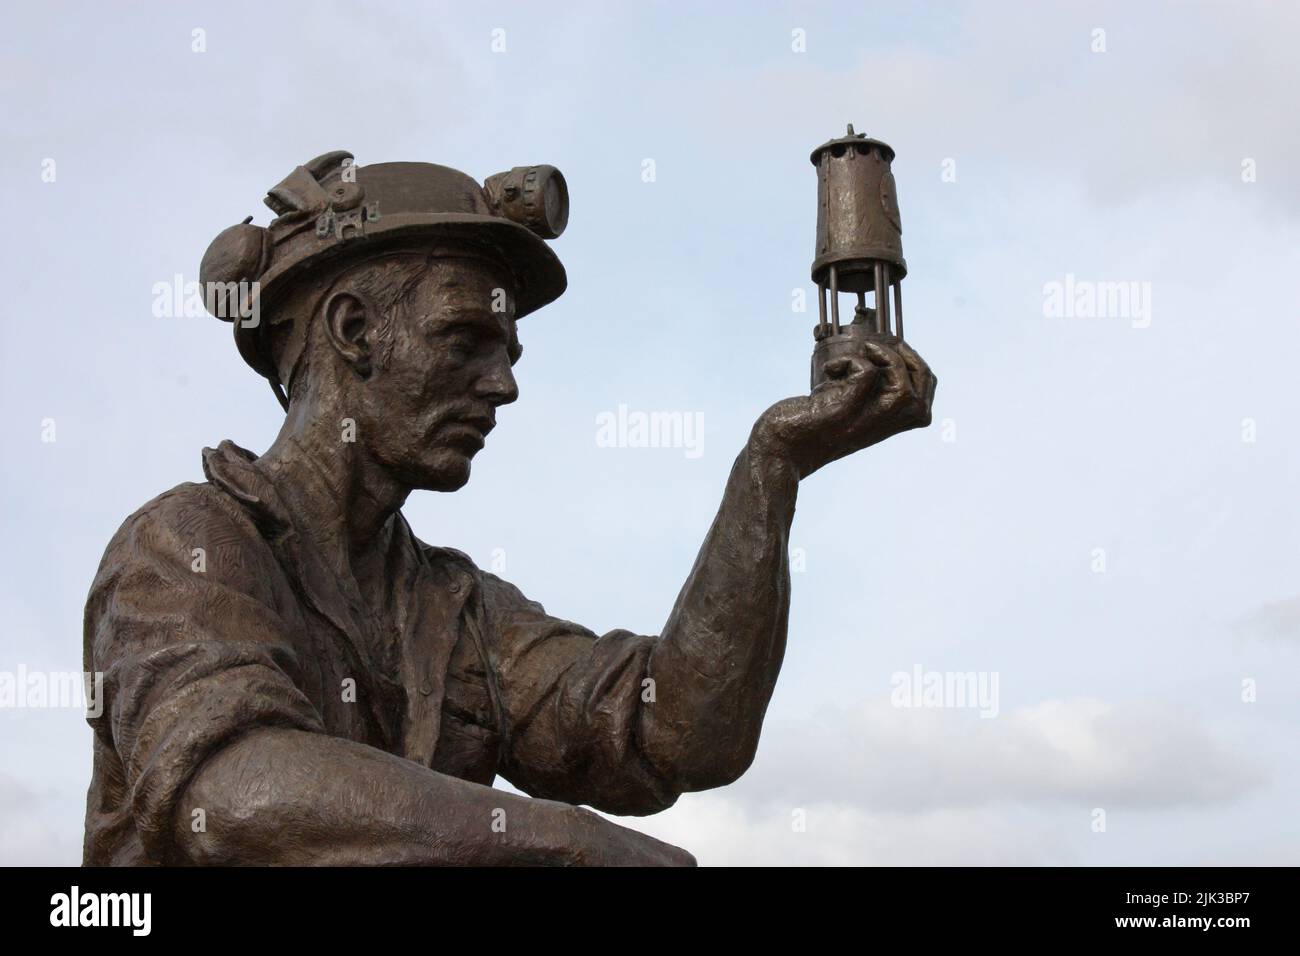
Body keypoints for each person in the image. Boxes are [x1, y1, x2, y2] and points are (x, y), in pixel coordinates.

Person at [83, 152, 936, 865]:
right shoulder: (187, 544)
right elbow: (234, 795)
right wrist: (566, 842)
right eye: (466, 340)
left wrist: (771, 469)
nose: (505, 385)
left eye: (509, 352)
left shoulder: (457, 611)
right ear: (352, 330)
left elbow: (672, 734)